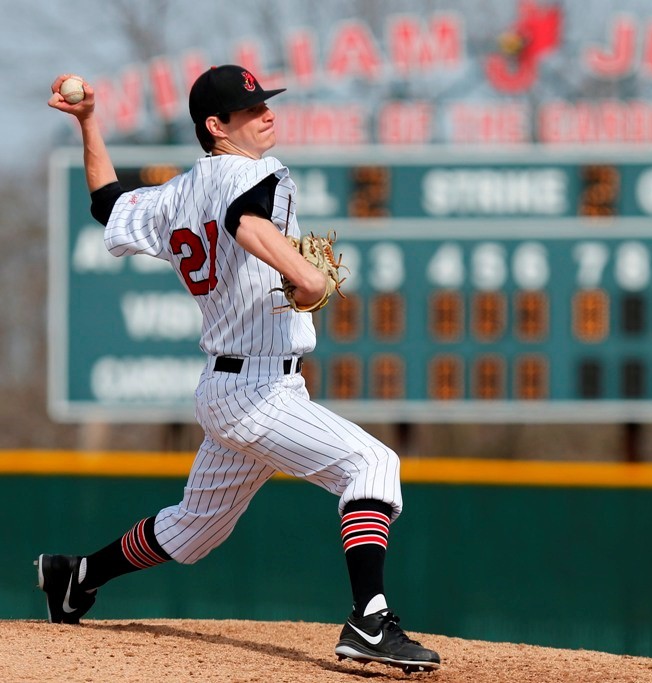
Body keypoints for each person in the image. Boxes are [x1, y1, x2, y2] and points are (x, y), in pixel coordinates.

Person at [39, 66, 440, 674]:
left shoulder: (174, 195)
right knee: (372, 463)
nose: (267, 114)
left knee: (194, 531)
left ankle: (76, 575)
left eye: (264, 104)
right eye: (250, 110)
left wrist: (90, 123)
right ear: (216, 126)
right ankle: (371, 622)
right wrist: (305, 278)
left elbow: (106, 202)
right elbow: (246, 221)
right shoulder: (260, 174)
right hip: (256, 388)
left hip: (230, 386)